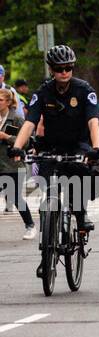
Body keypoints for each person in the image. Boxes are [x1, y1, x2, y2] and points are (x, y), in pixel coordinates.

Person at [9, 45, 99, 279]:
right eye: (59, 69)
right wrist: (17, 147)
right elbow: (30, 123)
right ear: (51, 69)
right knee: (47, 194)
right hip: (50, 146)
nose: (64, 72)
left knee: (78, 179)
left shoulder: (84, 90)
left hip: (77, 145)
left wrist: (96, 148)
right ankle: (47, 255)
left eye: (69, 68)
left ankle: (81, 218)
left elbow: (93, 122)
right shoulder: (43, 92)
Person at [0, 87, 35, 238]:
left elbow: (26, 143)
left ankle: (30, 225)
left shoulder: (17, 119)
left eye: (0, 100)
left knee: (14, 197)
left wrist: (6, 137)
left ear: (8, 102)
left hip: (13, 165)